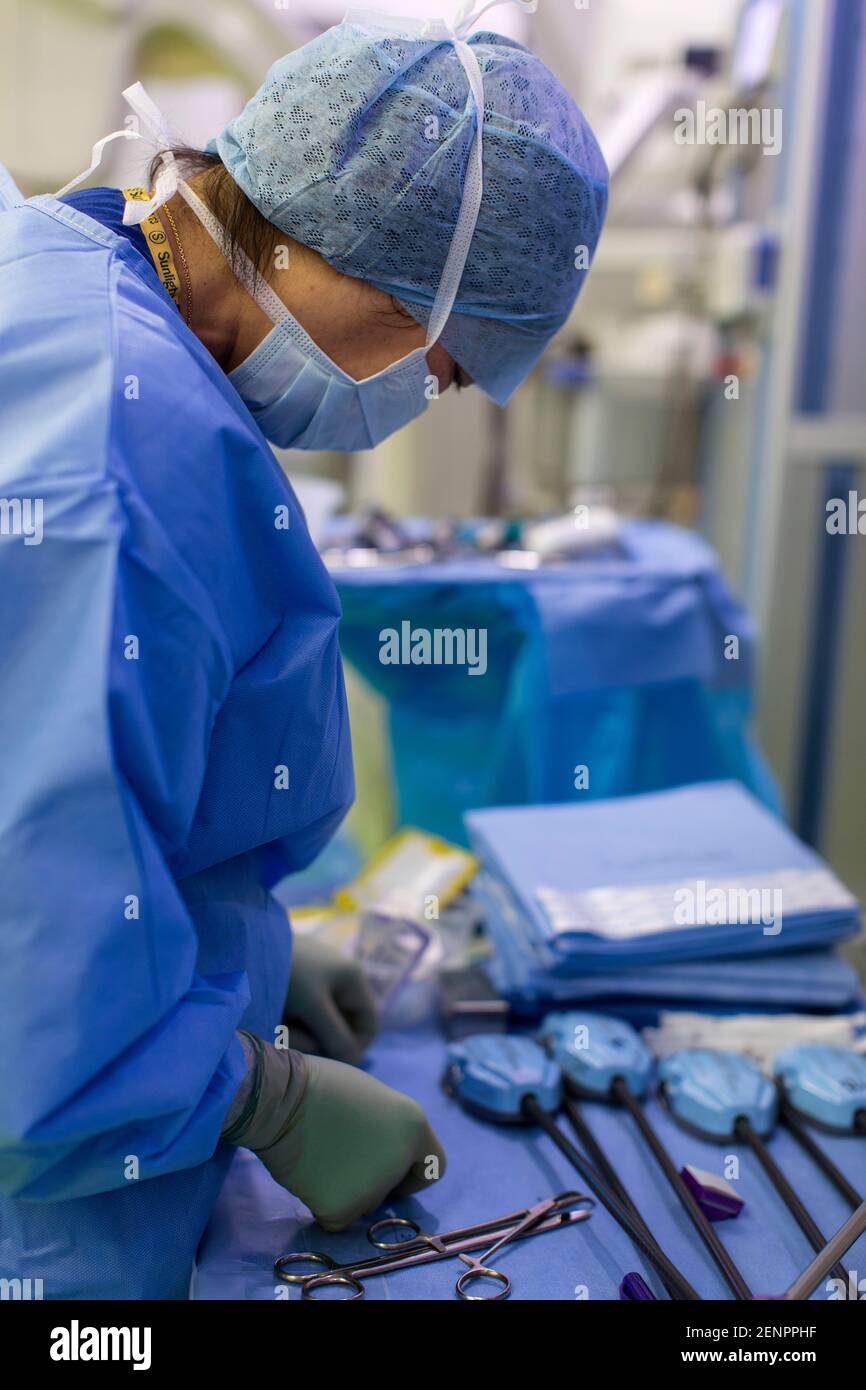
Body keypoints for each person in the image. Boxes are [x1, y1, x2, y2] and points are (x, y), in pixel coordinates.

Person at [0, 5, 607, 1298]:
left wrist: (255, 969)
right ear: (347, 252)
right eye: (434, 365)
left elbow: (102, 812)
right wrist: (255, 1095)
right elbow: (27, 995)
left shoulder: (72, 279)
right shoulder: (120, 467)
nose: (410, 401)